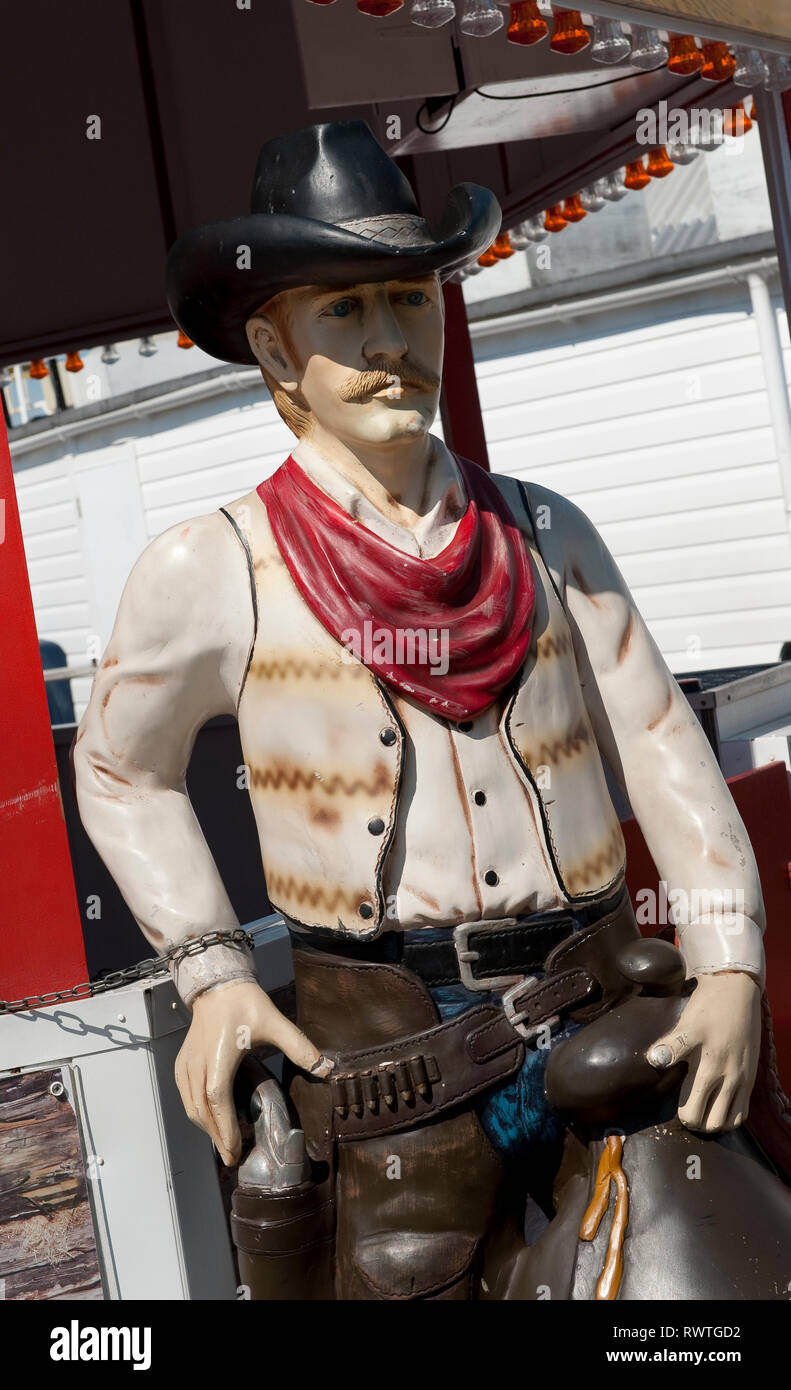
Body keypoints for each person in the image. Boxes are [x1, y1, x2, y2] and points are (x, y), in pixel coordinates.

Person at [73, 121, 766, 1299]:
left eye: (408, 299)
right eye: (342, 313)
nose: (391, 343)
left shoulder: (545, 535)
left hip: (607, 1011)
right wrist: (215, 972)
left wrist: (728, 966)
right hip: (394, 1060)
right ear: (275, 351)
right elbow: (119, 771)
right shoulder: (215, 567)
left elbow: (657, 745)